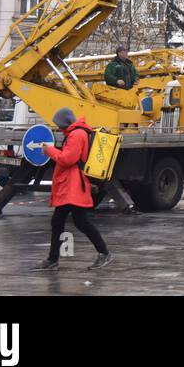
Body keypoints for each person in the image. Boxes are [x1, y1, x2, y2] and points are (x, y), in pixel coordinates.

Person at [31, 108, 111, 271]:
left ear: (64, 122)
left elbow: (68, 159)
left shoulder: (76, 135)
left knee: (78, 222)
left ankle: (104, 253)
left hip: (73, 185)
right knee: (64, 221)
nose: (58, 128)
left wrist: (49, 150)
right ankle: (53, 259)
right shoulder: (76, 133)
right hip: (70, 185)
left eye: (59, 125)